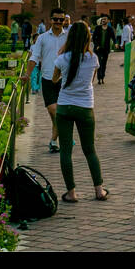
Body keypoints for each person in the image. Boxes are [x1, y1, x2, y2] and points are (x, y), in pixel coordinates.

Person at [51, 20, 109, 204]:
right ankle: (99, 190)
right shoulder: (93, 58)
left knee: (66, 151)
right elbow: (90, 81)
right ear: (87, 37)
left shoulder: (62, 58)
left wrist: (64, 73)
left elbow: (54, 80)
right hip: (85, 107)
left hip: (65, 107)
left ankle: (71, 192)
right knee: (90, 150)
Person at [26, 9, 69, 153]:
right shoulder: (43, 38)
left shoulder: (68, 37)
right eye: (55, 19)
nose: (58, 22)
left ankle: (54, 140)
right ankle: (62, 134)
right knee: (54, 111)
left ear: (64, 21)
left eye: (61, 20)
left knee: (58, 113)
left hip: (65, 79)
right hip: (48, 79)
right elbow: (34, 57)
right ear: (50, 20)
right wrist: (27, 74)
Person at [91, 15, 115, 84]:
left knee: (104, 64)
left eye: (105, 19)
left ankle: (102, 77)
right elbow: (93, 38)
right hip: (98, 49)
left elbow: (113, 37)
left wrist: (115, 43)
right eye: (102, 19)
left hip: (106, 49)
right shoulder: (97, 28)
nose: (103, 20)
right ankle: (99, 78)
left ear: (108, 21)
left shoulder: (110, 29)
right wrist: (96, 45)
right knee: (99, 64)